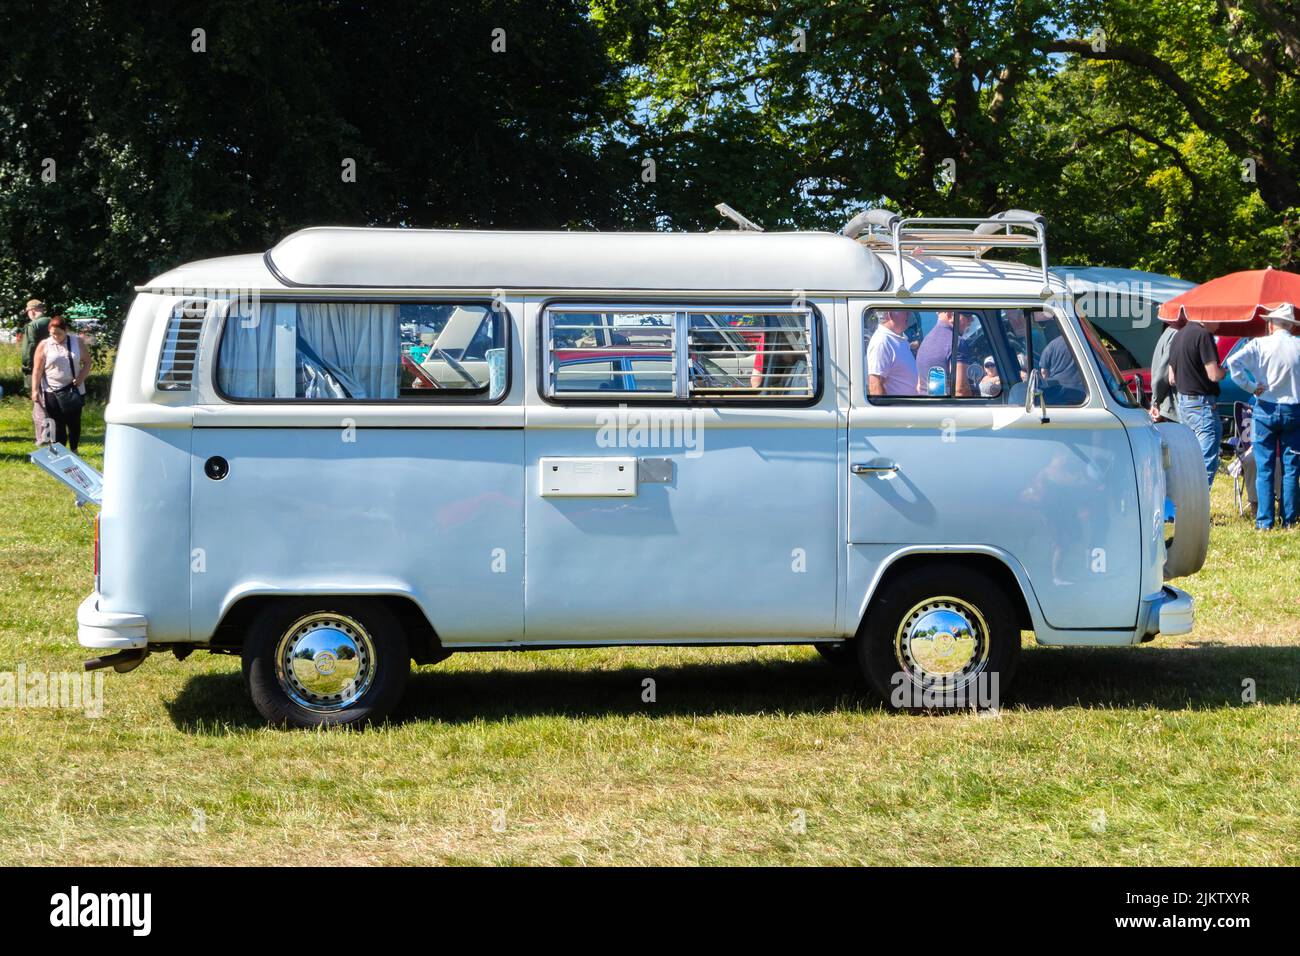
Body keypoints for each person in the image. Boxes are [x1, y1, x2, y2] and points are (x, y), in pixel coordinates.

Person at [1225, 302, 1300, 529]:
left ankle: (1265, 521)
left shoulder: (1259, 344)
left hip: (1265, 407)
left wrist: (1249, 386)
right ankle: (1288, 519)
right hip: (1294, 409)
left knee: (1265, 466)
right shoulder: (1298, 344)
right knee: (1291, 467)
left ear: (1271, 325)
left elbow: (1232, 362)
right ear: (1291, 326)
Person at [1168, 309, 1227, 485]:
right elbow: (1214, 375)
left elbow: (1171, 378)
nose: (1220, 325)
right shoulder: (1203, 335)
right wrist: (1224, 371)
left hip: (1184, 404)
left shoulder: (1178, 336)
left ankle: (1187, 499)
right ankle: (1199, 506)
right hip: (1202, 404)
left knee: (1189, 459)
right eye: (1219, 318)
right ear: (1208, 316)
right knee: (1205, 461)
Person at [30, 313, 91, 451]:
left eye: (59, 334)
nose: (56, 337)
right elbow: (37, 369)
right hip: (51, 390)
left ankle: (74, 450)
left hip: (74, 389)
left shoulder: (77, 342)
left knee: (74, 422)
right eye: (52, 334)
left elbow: (87, 362)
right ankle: (60, 452)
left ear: (66, 330)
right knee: (57, 424)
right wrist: (34, 390)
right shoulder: (44, 344)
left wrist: (81, 377)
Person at [915, 310, 973, 396]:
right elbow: (960, 390)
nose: (971, 319)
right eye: (967, 314)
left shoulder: (925, 342)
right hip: (946, 407)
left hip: (925, 406)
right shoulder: (956, 342)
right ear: (950, 314)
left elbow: (919, 385)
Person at [18, 299, 52, 444]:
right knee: (51, 402)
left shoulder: (33, 325)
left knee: (38, 402)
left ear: (31, 311)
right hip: (54, 368)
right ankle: (53, 435)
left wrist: (26, 366)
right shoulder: (54, 322)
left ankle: (43, 438)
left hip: (37, 369)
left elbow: (29, 349)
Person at [867, 310, 919, 396]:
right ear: (890, 314)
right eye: (905, 311)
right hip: (897, 408)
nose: (909, 314)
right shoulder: (882, 341)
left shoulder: (898, 338)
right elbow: (875, 385)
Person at [1149, 320, 1180, 423]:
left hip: (1168, 406)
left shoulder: (1169, 331)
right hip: (1172, 406)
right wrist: (1156, 402)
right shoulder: (1177, 333)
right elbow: (1163, 374)